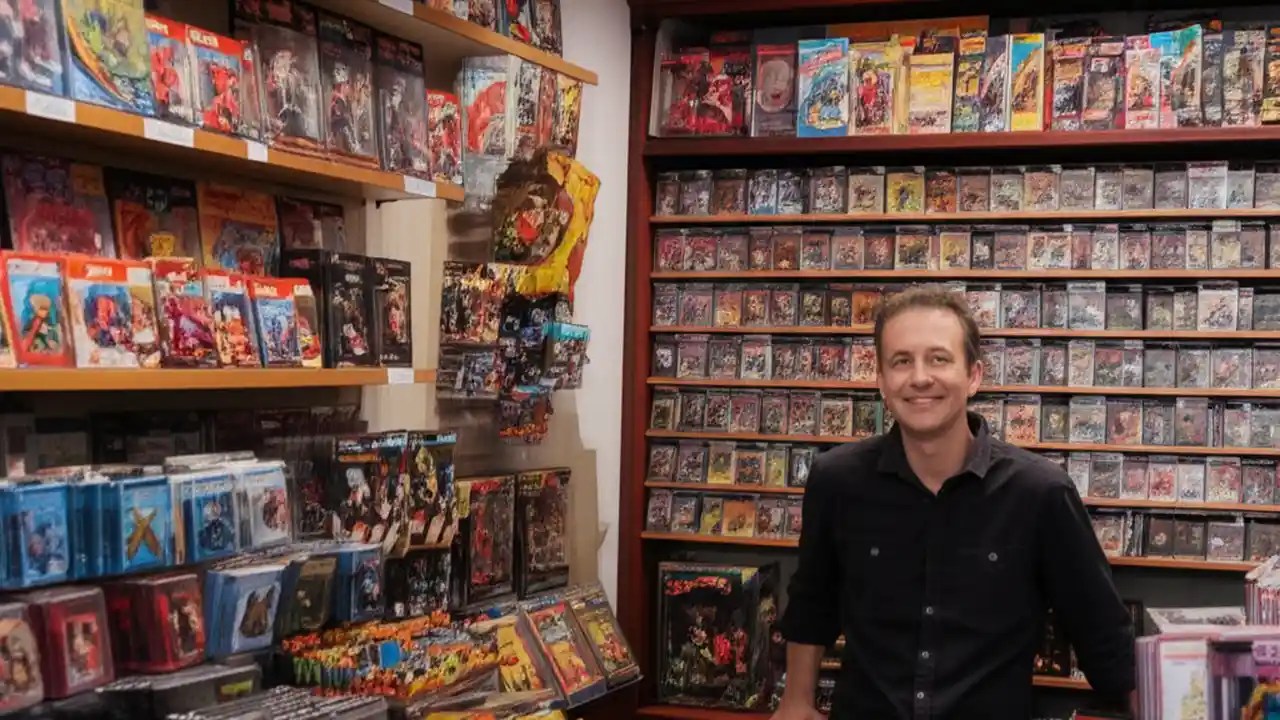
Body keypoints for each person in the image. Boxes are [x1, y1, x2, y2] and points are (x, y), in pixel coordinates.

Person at [772, 286, 1135, 720]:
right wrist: (796, 700)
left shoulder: (1040, 493)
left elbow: (1102, 633)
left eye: (939, 359)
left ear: (974, 376)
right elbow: (813, 601)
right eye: (901, 361)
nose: (920, 377)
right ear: (882, 381)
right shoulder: (837, 480)